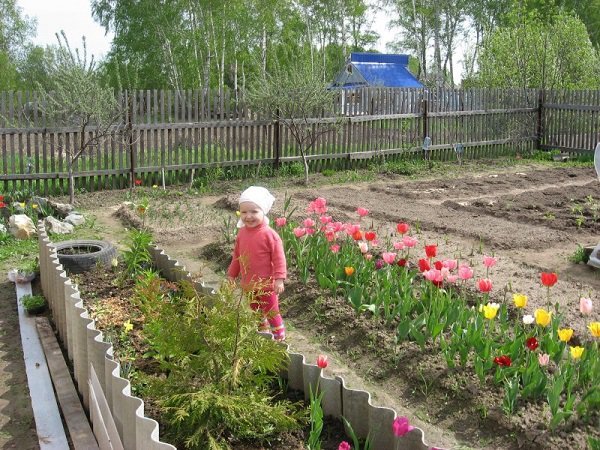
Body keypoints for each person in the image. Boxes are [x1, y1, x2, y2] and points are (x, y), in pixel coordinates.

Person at [227, 186, 287, 341]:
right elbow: (237, 256)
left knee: (272, 311)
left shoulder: (269, 235)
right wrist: (232, 275)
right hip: (249, 284)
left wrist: (279, 278)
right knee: (256, 310)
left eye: (254, 212)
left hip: (267, 285)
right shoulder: (242, 233)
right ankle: (264, 335)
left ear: (263, 212)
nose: (249, 216)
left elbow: (279, 258)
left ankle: (279, 337)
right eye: (244, 212)